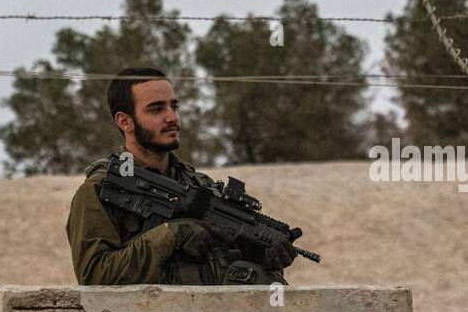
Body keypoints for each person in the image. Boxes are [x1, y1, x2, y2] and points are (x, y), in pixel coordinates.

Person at [65, 66, 296, 285]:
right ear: (125, 121)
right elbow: (94, 276)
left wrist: (260, 254)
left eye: (173, 107)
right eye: (156, 109)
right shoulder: (100, 189)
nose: (172, 117)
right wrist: (172, 234)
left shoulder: (201, 186)